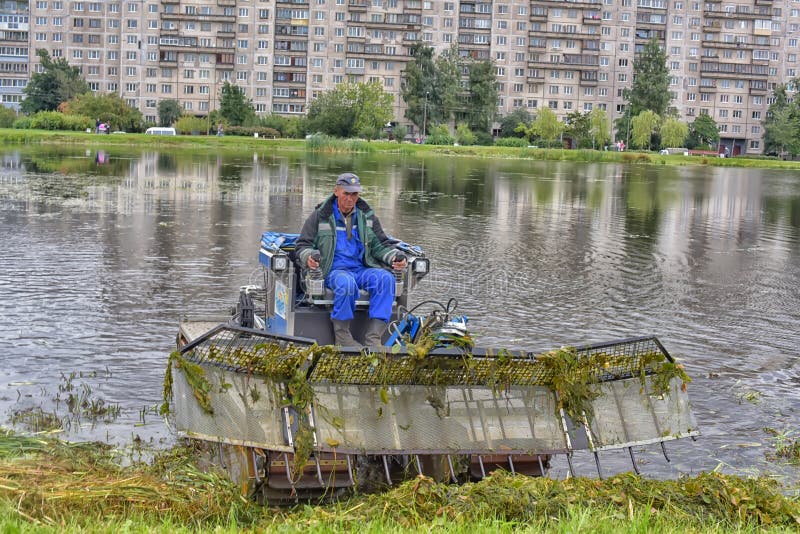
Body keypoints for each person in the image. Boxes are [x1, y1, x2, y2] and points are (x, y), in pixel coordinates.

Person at [296, 172, 407, 347]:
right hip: (333, 270)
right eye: (346, 193)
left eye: (354, 194)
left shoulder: (367, 217)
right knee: (346, 284)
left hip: (361, 270)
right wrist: (309, 257)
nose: (350, 198)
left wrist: (395, 258)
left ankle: (373, 338)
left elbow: (381, 245)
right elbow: (302, 246)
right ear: (336, 192)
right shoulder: (319, 216)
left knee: (386, 279)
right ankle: (342, 337)